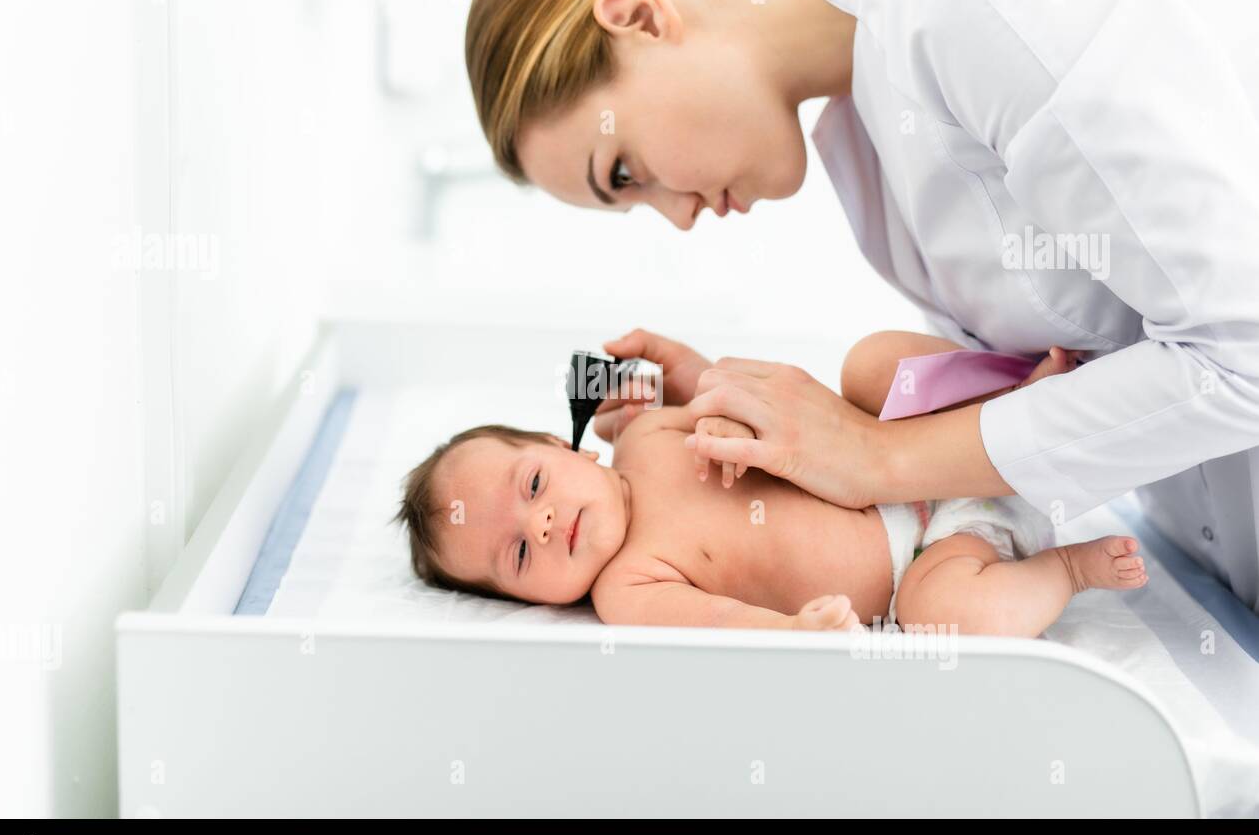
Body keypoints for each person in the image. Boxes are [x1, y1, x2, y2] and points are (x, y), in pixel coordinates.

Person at [465, 0, 1259, 612]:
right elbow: (1032, 378)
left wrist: (878, 454)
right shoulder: (866, 124)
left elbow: (1243, 348)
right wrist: (715, 398)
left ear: (640, 19)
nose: (675, 218)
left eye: (625, 171)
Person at [396, 331, 1146, 635]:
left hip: (921, 448)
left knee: (868, 364)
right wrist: (795, 632)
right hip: (934, 553)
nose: (546, 523)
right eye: (521, 557)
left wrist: (665, 369)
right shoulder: (629, 588)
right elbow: (718, 622)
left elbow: (708, 380)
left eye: (533, 486)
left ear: (572, 448)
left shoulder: (646, 433)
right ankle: (1067, 569)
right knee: (942, 616)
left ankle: (1016, 394)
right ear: (530, 600)